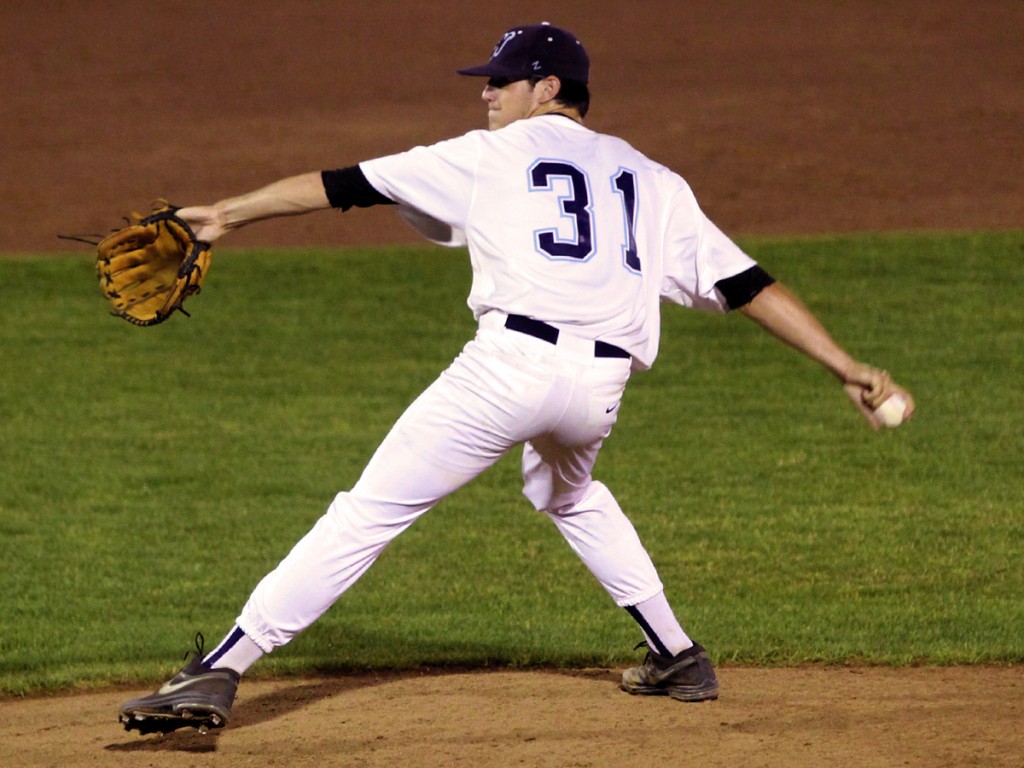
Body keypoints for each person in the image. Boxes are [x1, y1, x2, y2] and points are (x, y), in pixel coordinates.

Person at [118, 22, 914, 734]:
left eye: (502, 80)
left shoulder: (488, 154)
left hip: (506, 373)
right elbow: (747, 287)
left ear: (550, 89)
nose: (488, 93)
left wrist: (226, 213)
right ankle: (677, 654)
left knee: (366, 513)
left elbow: (342, 186)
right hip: (599, 391)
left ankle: (220, 667)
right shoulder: (654, 180)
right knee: (567, 492)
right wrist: (846, 367)